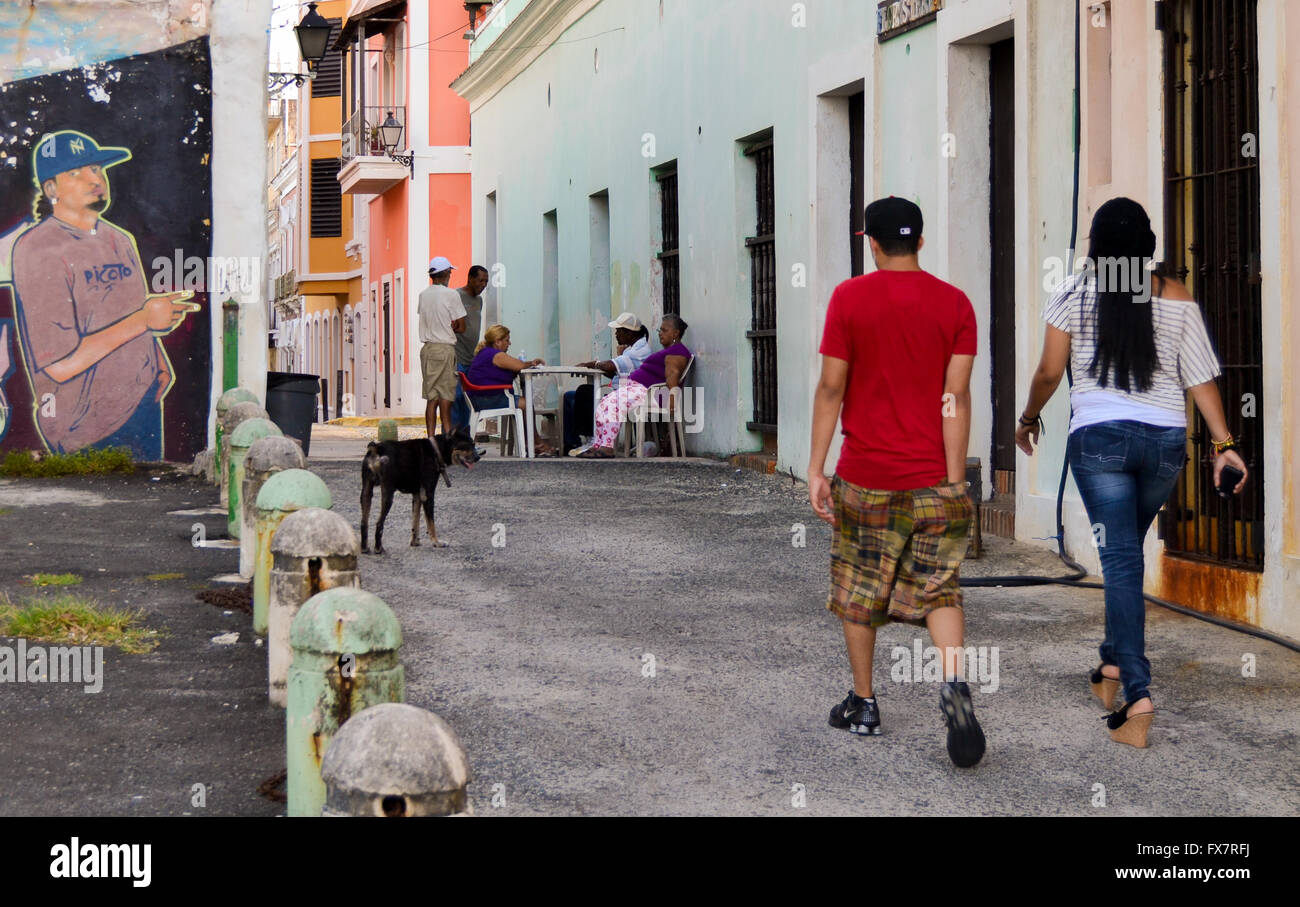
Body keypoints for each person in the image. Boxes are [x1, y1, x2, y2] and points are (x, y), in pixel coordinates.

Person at [1016, 197, 1248, 749]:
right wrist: (1225, 444)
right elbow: (1201, 382)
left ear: (1095, 245)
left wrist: (1026, 419)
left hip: (1100, 443)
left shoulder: (1074, 292)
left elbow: (1050, 371)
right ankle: (1111, 668)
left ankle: (1138, 696)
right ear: (1148, 246)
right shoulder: (1176, 295)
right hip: (1164, 448)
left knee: (1120, 562)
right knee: (1125, 557)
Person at [807, 196, 985, 768]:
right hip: (935, 475)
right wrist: (954, 481)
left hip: (866, 475)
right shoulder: (955, 304)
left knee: (861, 590)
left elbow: (831, 388)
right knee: (940, 587)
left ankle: (864, 704)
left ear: (872, 243)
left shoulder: (849, 298)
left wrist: (816, 467)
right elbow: (954, 398)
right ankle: (954, 683)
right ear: (922, 242)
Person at [10, 130, 198, 459]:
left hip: (141, 402)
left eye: (97, 169)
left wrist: (158, 367)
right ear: (51, 189)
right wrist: (144, 320)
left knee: (148, 508)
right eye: (77, 172)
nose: (94, 178)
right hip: (84, 427)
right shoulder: (38, 249)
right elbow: (58, 364)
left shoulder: (119, 239)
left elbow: (128, 309)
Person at [577, 314, 690, 458]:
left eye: (664, 330)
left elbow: (673, 374)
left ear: (676, 333)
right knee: (603, 403)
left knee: (613, 403)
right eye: (659, 330)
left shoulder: (677, 352)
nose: (660, 333)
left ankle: (607, 447)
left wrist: (672, 403)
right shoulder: (667, 351)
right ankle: (599, 444)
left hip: (649, 393)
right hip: (637, 389)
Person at [564, 312, 652, 456]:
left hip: (628, 394)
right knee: (569, 397)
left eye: (618, 331)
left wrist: (593, 364)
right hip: (622, 389)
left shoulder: (638, 351)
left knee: (585, 392)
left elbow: (610, 366)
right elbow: (615, 372)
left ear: (629, 333)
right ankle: (572, 442)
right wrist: (595, 366)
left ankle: (593, 439)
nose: (616, 334)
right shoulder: (631, 349)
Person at [465, 323, 550, 453]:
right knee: (526, 404)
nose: (509, 343)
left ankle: (531, 442)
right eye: (507, 340)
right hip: (487, 398)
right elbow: (519, 366)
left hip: (480, 397)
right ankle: (536, 443)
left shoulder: (485, 353)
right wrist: (532, 363)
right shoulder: (496, 355)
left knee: (522, 403)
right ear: (498, 341)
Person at [417, 256, 466, 439]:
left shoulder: (423, 295)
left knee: (432, 398)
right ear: (445, 273)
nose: (451, 275)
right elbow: (462, 326)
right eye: (450, 272)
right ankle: (447, 436)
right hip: (445, 349)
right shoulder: (451, 294)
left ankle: (430, 437)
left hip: (428, 349)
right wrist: (451, 326)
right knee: (446, 395)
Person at [451, 265, 489, 434]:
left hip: (470, 358)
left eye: (486, 281)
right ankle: (452, 437)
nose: (484, 284)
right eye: (481, 280)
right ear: (470, 278)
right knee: (456, 397)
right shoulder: (456, 296)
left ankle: (464, 439)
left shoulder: (479, 301)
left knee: (467, 401)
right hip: (456, 356)